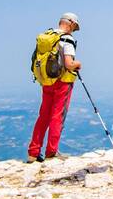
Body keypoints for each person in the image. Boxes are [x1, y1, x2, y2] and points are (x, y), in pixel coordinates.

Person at [27, 13, 82, 162]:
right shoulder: (67, 39)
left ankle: (33, 152)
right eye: (75, 27)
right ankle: (51, 151)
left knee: (43, 115)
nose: (74, 30)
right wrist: (78, 64)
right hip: (62, 82)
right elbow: (69, 64)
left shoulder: (47, 36)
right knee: (57, 115)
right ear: (70, 23)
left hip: (47, 81)